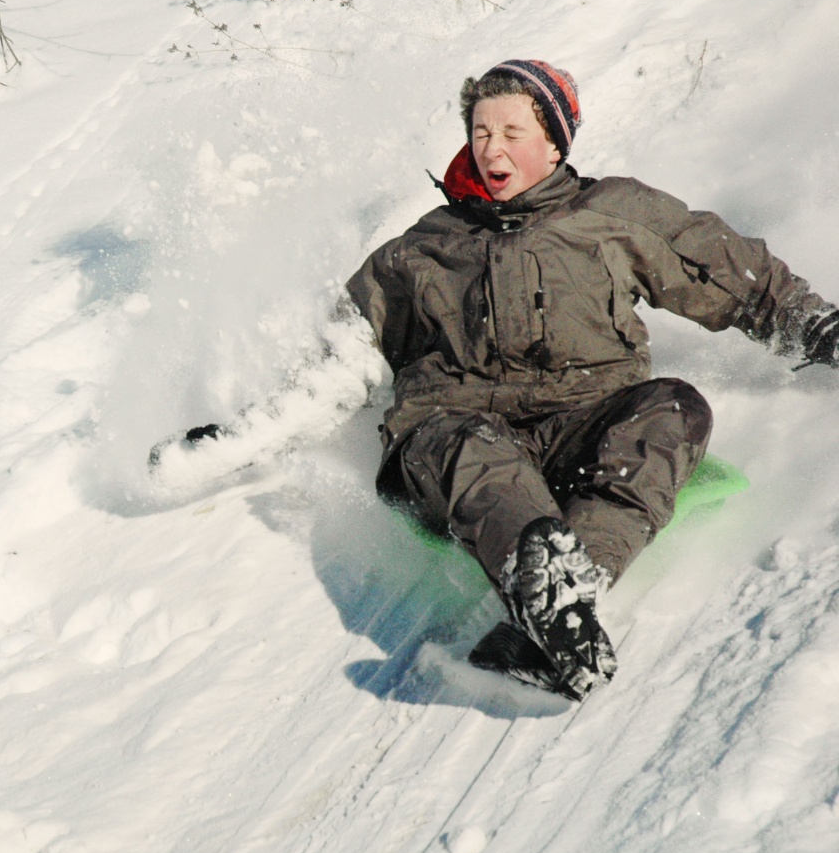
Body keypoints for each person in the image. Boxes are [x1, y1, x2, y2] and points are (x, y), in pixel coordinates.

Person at [343, 59, 839, 700]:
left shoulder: (610, 213)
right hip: (462, 430)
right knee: (468, 446)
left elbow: (726, 272)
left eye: (512, 131)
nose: (492, 147)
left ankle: (561, 605)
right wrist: (243, 437)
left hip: (584, 423)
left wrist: (820, 329)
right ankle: (540, 580)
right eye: (481, 131)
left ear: (553, 141)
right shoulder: (421, 248)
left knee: (674, 408)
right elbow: (341, 358)